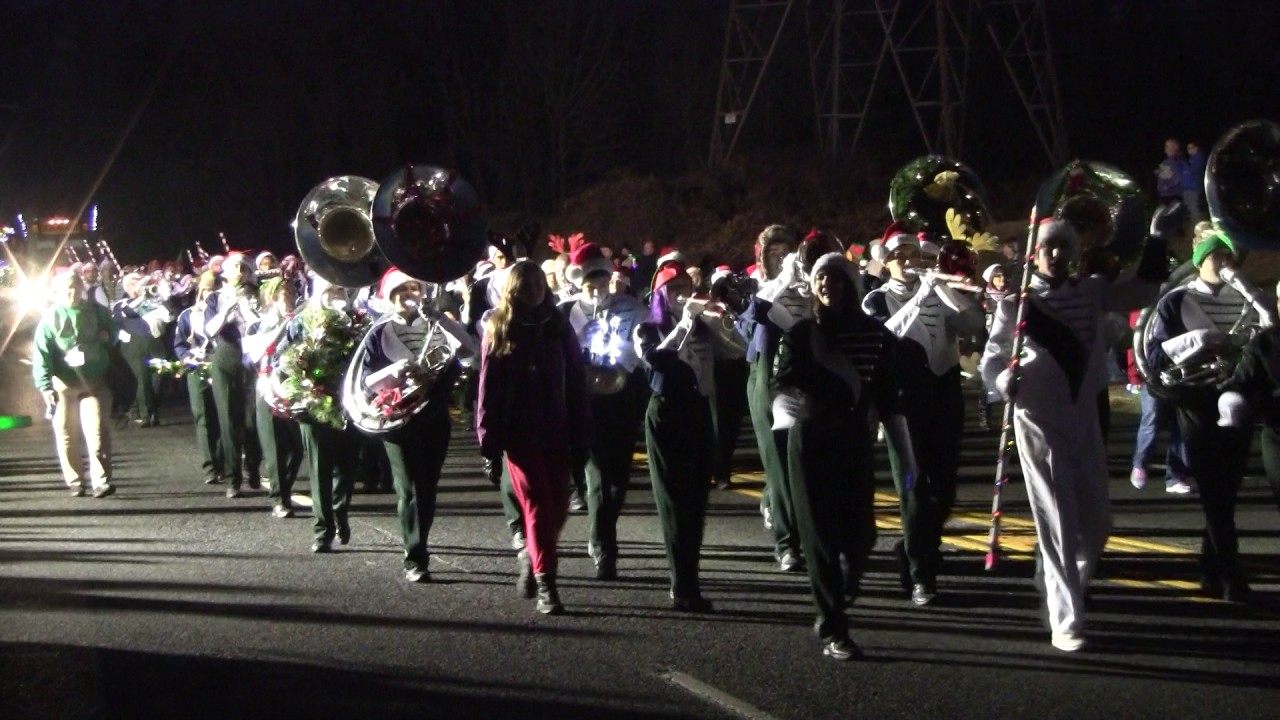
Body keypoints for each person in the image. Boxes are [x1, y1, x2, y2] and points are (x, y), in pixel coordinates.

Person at [981, 213, 1168, 652]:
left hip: (1083, 421)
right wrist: (1004, 382)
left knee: (1098, 523)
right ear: (1036, 252)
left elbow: (1142, 291)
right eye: (1049, 247)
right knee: (1058, 524)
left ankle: (1062, 583)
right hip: (1038, 425)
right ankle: (1066, 619)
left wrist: (1156, 237)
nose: (1057, 254)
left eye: (1065, 246)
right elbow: (991, 362)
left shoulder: (1091, 291)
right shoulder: (1018, 303)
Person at [773, 252, 915, 660]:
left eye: (836, 278)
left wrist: (908, 458)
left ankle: (843, 589)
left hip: (855, 442)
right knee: (820, 541)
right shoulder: (802, 334)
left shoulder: (877, 335)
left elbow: (889, 399)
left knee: (861, 534)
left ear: (850, 284)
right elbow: (782, 382)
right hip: (812, 444)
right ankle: (834, 627)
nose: (827, 285)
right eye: (821, 278)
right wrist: (784, 409)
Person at [862, 224, 985, 606]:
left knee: (944, 488)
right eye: (897, 256)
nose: (906, 261)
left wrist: (948, 288)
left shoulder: (936, 292)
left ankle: (916, 547)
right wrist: (921, 299)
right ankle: (921, 573)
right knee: (914, 488)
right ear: (885, 262)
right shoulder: (876, 299)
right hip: (903, 401)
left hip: (944, 392)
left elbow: (974, 324)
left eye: (911, 254)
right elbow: (887, 335)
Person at [1145, 230, 1264, 602]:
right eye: (1218, 256)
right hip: (1196, 401)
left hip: (1238, 401)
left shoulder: (1248, 298)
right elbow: (1155, 357)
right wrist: (1200, 341)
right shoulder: (1179, 299)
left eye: (1230, 256)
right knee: (1215, 490)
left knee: (1226, 489)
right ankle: (1231, 576)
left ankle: (1209, 571)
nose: (1226, 263)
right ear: (1200, 259)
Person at [634, 254, 746, 612]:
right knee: (674, 501)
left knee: (697, 499)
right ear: (659, 294)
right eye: (673, 288)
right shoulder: (647, 328)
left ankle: (689, 580)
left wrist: (720, 321)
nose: (682, 293)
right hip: (666, 413)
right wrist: (684, 322)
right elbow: (657, 361)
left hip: (699, 411)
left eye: (685, 286)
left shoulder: (701, 325)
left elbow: (739, 349)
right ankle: (681, 583)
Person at [478, 261, 589, 614]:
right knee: (538, 504)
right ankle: (547, 585)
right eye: (527, 284)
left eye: (539, 283)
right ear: (514, 288)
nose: (535, 290)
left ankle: (531, 551)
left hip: (557, 427)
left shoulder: (557, 324)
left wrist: (581, 431)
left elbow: (575, 378)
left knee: (557, 506)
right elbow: (487, 389)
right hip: (519, 433)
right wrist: (489, 444)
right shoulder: (499, 326)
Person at [354, 268, 477, 582]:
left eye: (414, 287)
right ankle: (415, 555)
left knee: (427, 486)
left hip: (434, 415)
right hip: (397, 418)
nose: (409, 294)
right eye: (401, 290)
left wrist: (443, 320)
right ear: (389, 295)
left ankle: (420, 542)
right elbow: (365, 381)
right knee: (408, 487)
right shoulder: (379, 332)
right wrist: (397, 370)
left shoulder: (436, 325)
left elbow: (471, 352)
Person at [560, 244, 648, 580]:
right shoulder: (566, 313)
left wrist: (620, 348)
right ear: (579, 285)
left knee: (618, 479)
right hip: (582, 399)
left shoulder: (630, 308)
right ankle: (603, 549)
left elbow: (641, 351)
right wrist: (582, 341)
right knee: (596, 476)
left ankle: (602, 533)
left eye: (602, 282)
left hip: (620, 396)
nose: (597, 290)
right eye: (589, 285)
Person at [273, 275, 366, 553]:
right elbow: (281, 357)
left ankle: (340, 511)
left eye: (339, 289)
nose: (334, 294)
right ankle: (322, 530)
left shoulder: (358, 320)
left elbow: (368, 356)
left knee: (347, 468)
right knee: (319, 468)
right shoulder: (301, 320)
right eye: (329, 290)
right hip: (313, 401)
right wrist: (300, 364)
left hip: (347, 403)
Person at [736, 224, 810, 571]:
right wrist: (783, 280)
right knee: (779, 464)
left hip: (805, 381)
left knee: (804, 463)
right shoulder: (756, 287)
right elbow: (749, 321)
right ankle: (787, 542)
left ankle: (788, 515)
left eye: (787, 252)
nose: (781, 259)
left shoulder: (808, 286)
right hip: (767, 380)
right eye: (773, 254)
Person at [32, 270, 117, 498]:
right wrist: (45, 385)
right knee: (66, 432)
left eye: (75, 287)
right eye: (67, 289)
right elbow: (42, 353)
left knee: (98, 430)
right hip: (64, 383)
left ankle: (101, 481)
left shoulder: (98, 312)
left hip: (95, 381)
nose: (72, 293)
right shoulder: (51, 317)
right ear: (58, 292)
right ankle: (75, 481)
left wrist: (108, 336)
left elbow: (114, 331)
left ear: (82, 289)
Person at [243, 277, 304, 519]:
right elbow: (254, 355)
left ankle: (284, 488)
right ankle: (280, 499)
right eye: (283, 294)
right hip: (268, 390)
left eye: (291, 292)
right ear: (271, 298)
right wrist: (282, 325)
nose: (289, 298)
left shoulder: (300, 322)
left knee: (298, 449)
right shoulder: (256, 326)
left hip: (295, 389)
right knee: (274, 449)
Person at [173, 272, 223, 484]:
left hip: (221, 367)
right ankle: (210, 466)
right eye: (206, 288)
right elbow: (180, 343)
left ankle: (226, 461)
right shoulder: (188, 314)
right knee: (203, 417)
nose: (209, 293)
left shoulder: (227, 311)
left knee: (224, 416)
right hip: (198, 367)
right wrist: (186, 357)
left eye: (213, 289)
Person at [111, 273, 171, 427]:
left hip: (154, 342)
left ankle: (152, 410)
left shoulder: (153, 301)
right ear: (126, 288)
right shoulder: (121, 304)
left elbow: (170, 316)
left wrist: (165, 293)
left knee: (159, 376)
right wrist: (142, 297)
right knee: (143, 379)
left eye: (139, 281)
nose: (137, 285)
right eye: (132, 283)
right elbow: (128, 313)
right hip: (133, 344)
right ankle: (145, 415)